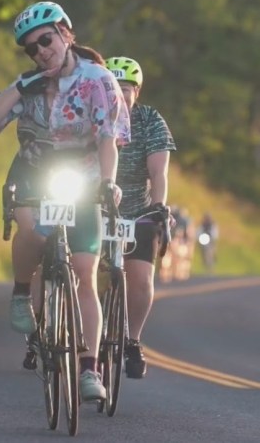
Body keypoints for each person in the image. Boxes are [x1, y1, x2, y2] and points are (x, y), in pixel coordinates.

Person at [0, 1, 130, 401]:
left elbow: (107, 138)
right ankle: (23, 291)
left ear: (65, 33)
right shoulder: (29, 83)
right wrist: (21, 86)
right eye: (31, 48)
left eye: (45, 40)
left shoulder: (98, 79)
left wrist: (109, 183)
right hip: (34, 169)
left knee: (83, 270)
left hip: (84, 174)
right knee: (32, 231)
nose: (41, 51)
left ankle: (88, 368)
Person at [104, 55, 176, 379]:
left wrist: (159, 206)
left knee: (142, 278)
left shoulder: (150, 120)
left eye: (126, 88)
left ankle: (132, 339)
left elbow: (158, 172)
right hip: (96, 204)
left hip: (137, 210)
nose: (120, 93)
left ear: (137, 92)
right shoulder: (92, 116)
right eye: (112, 87)